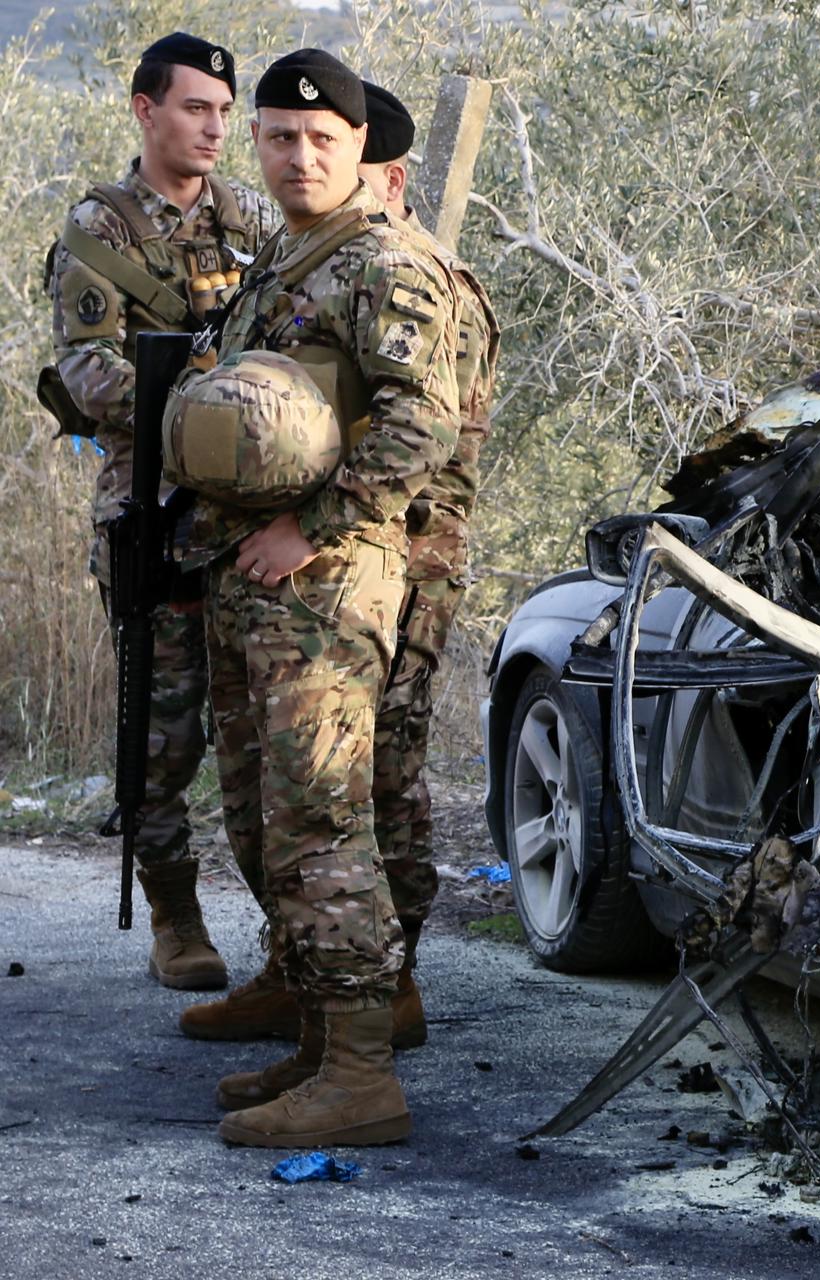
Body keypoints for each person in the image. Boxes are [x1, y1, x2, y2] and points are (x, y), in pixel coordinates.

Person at [174, 48, 462, 1147]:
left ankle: (360, 1074)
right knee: (263, 817)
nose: (299, 156)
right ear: (258, 142)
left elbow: (420, 422)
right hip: (256, 583)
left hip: (329, 586)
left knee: (321, 824)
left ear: (359, 153)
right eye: (281, 138)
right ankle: (315, 1032)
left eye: (323, 141)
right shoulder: (285, 261)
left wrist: (314, 524)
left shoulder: (386, 264)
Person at [42, 32, 277, 991]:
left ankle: (293, 927)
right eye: (194, 108)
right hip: (154, 514)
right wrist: (214, 402)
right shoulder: (102, 231)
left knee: (267, 729)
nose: (213, 127)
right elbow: (87, 374)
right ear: (146, 111)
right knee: (162, 733)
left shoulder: (252, 219)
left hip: (252, 515)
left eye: (224, 111)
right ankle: (178, 919)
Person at [358, 80, 502, 1040]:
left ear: (393, 178)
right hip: (370, 555)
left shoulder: (424, 282)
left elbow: (422, 440)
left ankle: (394, 977)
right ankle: (317, 969)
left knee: (387, 767)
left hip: (412, 561)